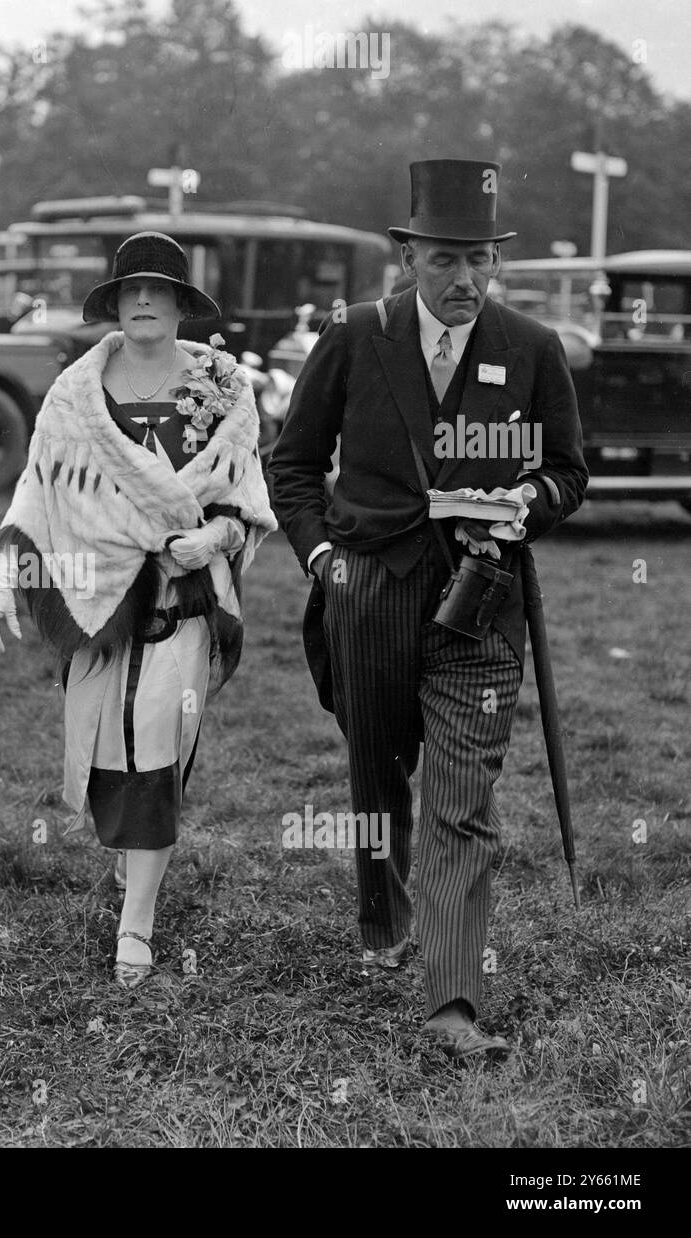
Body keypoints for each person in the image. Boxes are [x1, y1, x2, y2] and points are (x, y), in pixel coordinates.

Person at [267, 160, 588, 1058]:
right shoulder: (352, 338)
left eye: (480, 260)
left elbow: (569, 469)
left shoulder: (531, 347)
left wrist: (531, 503)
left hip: (483, 600)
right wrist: (323, 558)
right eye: (445, 260)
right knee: (377, 773)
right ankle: (385, 916)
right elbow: (291, 465)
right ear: (407, 257)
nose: (465, 280)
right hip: (366, 591)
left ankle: (451, 999)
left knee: (461, 799)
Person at [0, 232, 276, 987]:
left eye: (158, 291)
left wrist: (214, 536)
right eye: (130, 291)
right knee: (107, 752)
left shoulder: (226, 391)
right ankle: (132, 864)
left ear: (179, 306)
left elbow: (247, 499)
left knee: (158, 747)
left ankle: (138, 919)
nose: (143, 303)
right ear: (114, 303)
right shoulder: (75, 394)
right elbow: (37, 494)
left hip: (184, 600)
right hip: (96, 597)